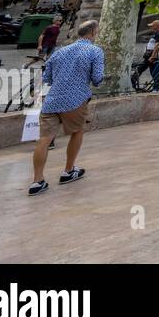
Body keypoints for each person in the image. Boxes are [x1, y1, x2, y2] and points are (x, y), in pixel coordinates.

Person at [29, 19, 105, 196]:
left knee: (44, 140)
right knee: (77, 131)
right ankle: (68, 170)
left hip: (52, 100)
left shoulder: (59, 52)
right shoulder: (95, 51)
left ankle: (37, 181)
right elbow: (97, 78)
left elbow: (47, 78)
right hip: (76, 100)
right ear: (93, 33)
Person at [131, 20, 159, 89]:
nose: (151, 27)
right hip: (149, 56)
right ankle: (158, 87)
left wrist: (152, 56)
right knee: (154, 73)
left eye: (152, 26)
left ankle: (132, 85)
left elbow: (157, 45)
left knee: (140, 70)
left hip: (151, 57)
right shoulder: (156, 33)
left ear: (156, 26)